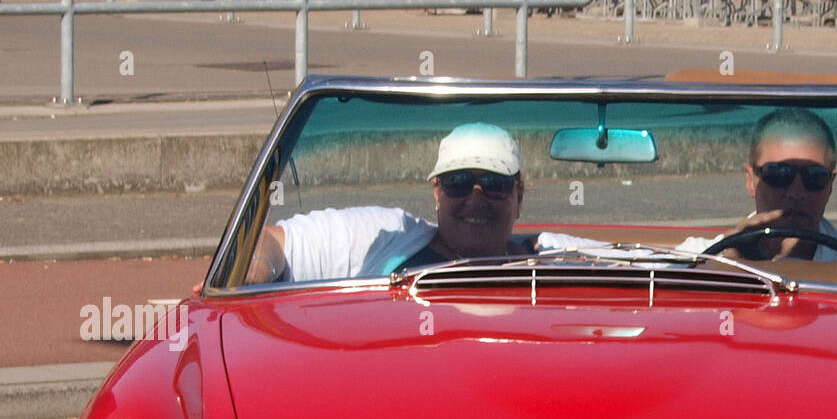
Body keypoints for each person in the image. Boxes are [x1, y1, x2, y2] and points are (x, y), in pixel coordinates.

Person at [246, 123, 598, 283]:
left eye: (493, 185)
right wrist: (253, 274)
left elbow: (644, 264)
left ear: (519, 195)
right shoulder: (381, 237)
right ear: (436, 192)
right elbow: (272, 241)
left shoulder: (555, 256)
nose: (475, 198)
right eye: (458, 184)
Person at [679, 109, 837, 291]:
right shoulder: (691, 258)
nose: (796, 191)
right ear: (750, 180)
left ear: (830, 186)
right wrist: (727, 264)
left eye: (814, 177)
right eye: (779, 174)